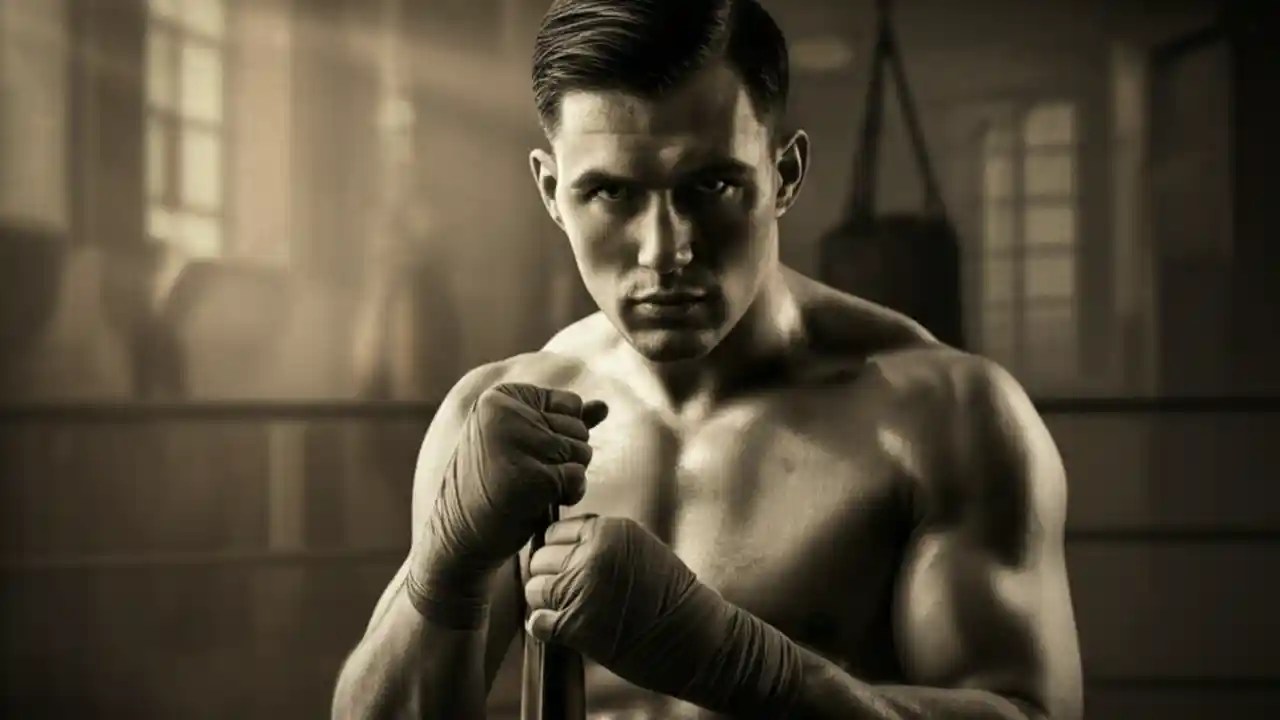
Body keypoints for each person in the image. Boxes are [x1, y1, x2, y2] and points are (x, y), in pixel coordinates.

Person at [331, 0, 1083, 717]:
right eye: (611, 194)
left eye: (712, 185)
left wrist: (746, 668)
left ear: (784, 176)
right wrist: (450, 567)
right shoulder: (494, 415)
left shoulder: (942, 418)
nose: (665, 251)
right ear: (552, 192)